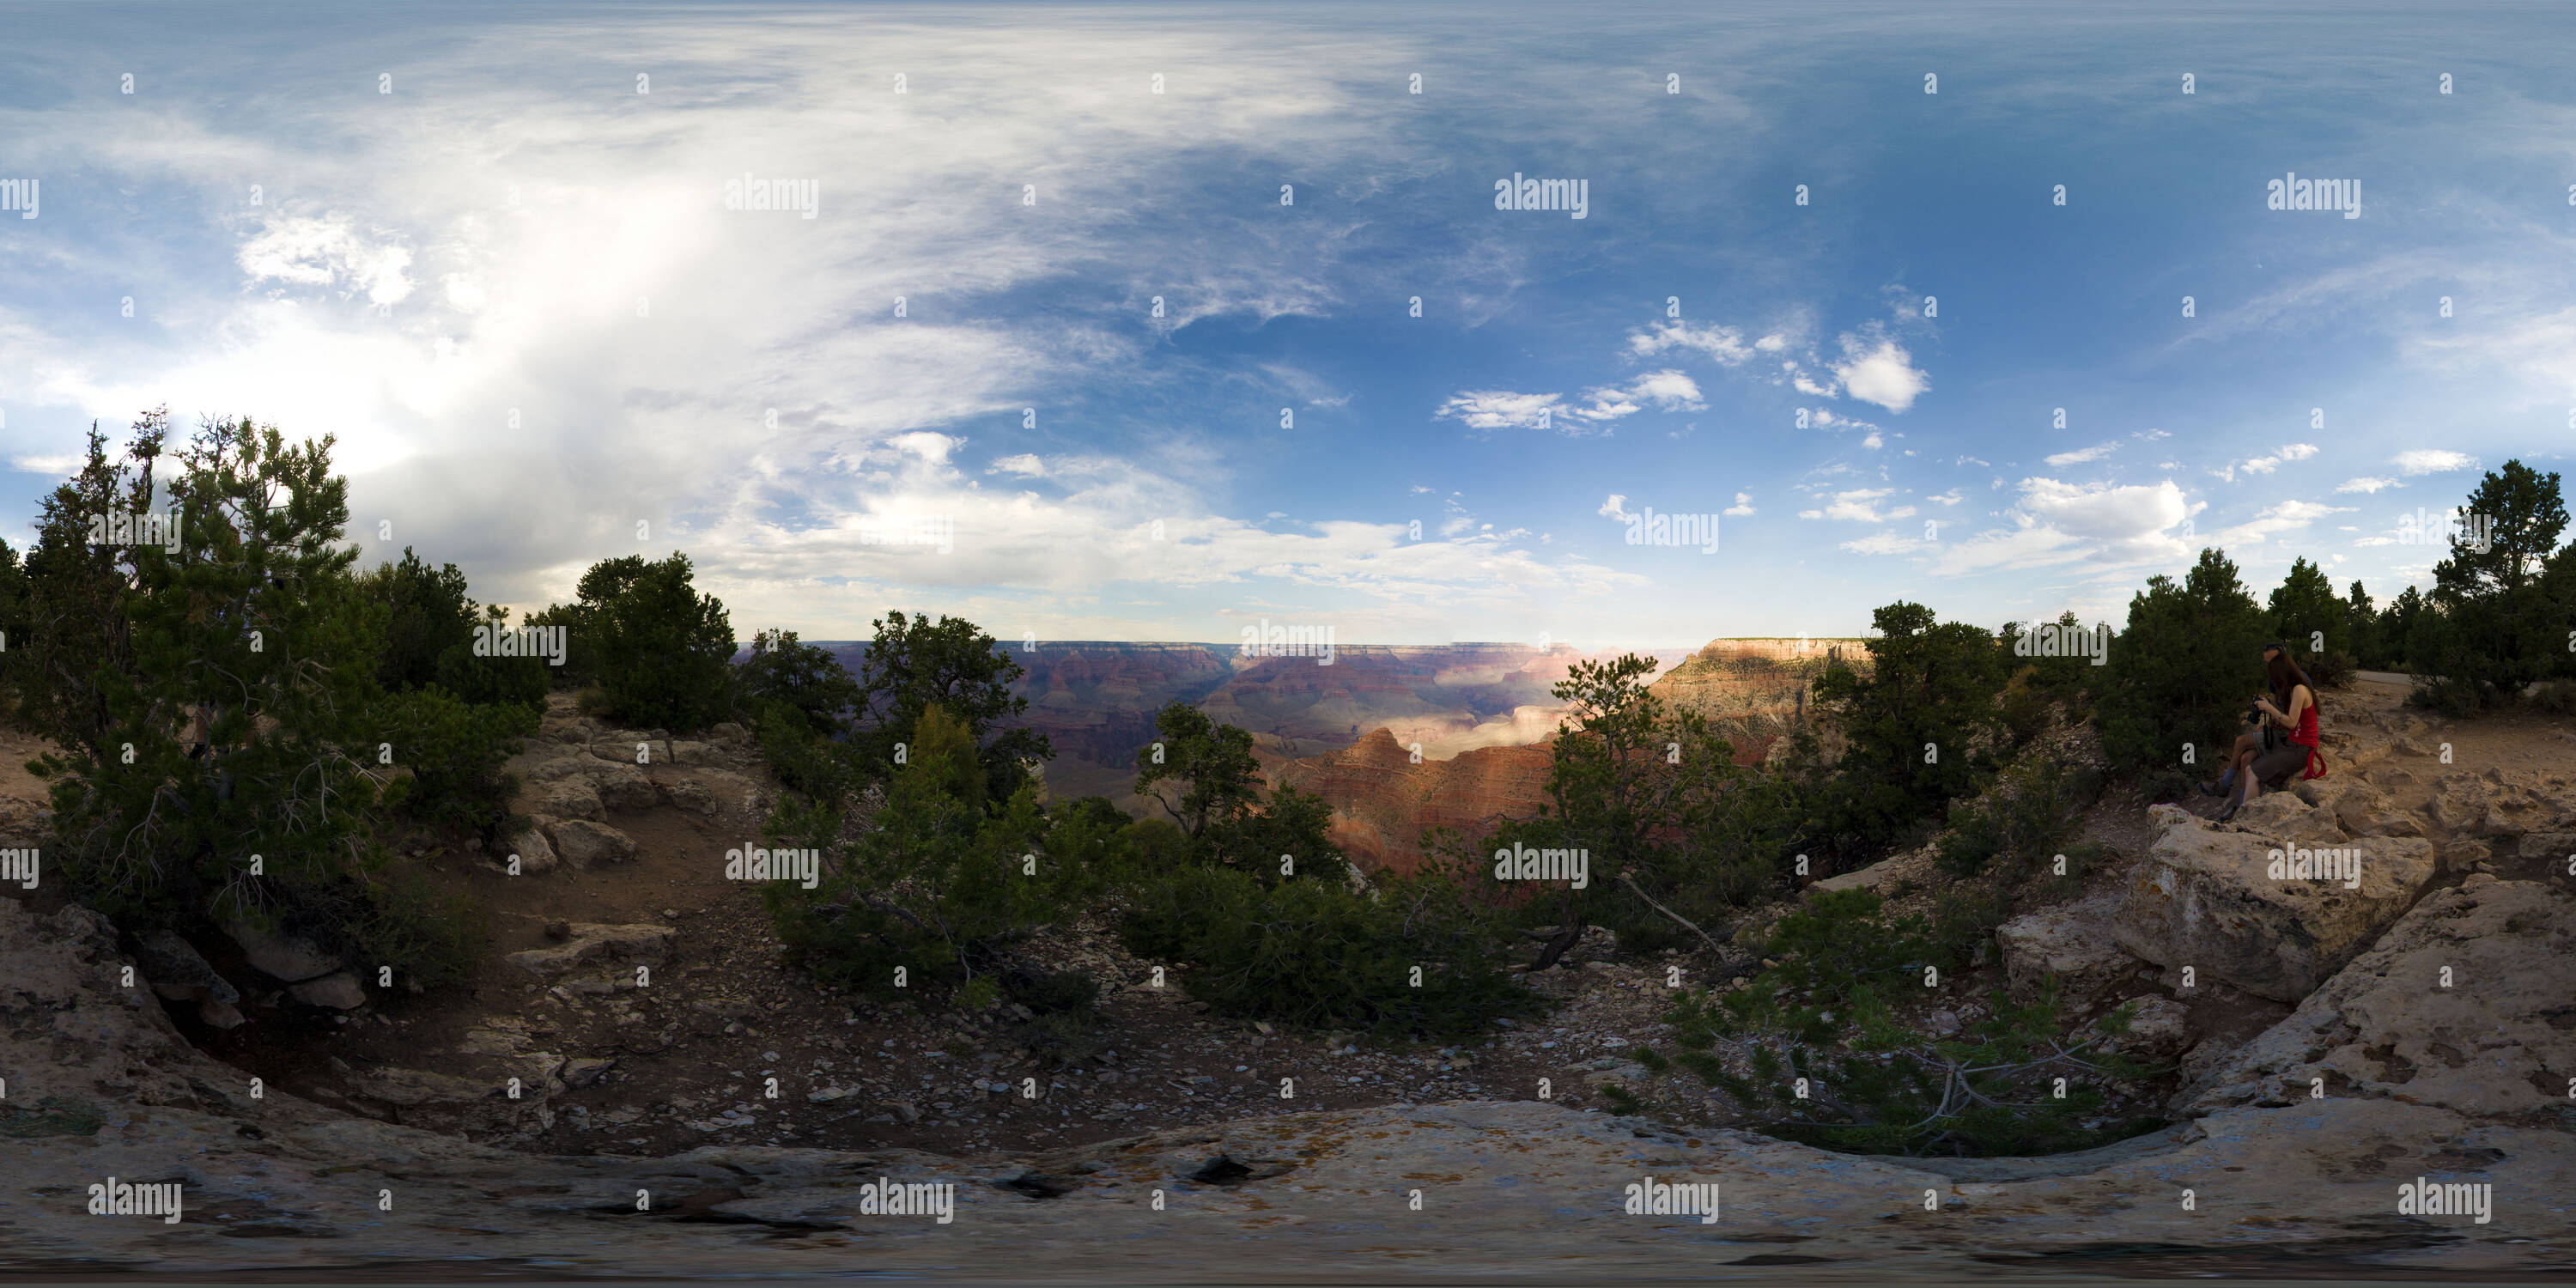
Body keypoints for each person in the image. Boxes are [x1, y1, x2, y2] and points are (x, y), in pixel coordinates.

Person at [2209, 649, 2322, 821]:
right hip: (2291, 744)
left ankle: (2243, 818)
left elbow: (2291, 722)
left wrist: (2269, 708)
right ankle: (2240, 806)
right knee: (2247, 760)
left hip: (2302, 749)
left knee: (2253, 771)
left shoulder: (2299, 689)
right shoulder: (2293, 689)